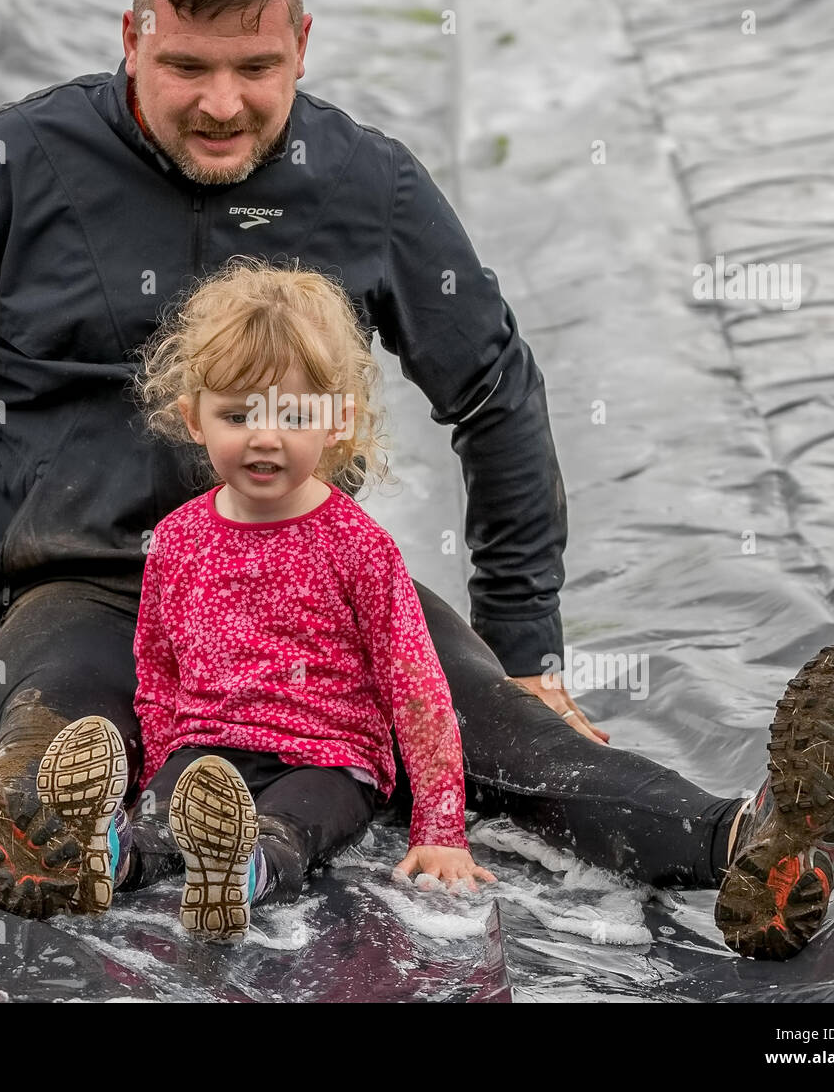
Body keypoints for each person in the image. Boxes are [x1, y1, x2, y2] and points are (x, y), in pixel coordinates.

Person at [0, 0, 834, 960]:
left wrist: (525, 648)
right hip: (87, 589)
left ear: (302, 46)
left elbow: (494, 391)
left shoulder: (365, 181)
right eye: (187, 65)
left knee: (505, 737)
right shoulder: (14, 165)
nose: (222, 102)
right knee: (68, 757)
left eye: (256, 67)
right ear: (131, 39)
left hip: (316, 584)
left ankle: (757, 843)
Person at [31, 260, 492, 941]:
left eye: (292, 413)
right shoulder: (180, 540)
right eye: (239, 413)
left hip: (329, 756)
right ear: (194, 419)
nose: (265, 436)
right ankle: (111, 852)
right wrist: (159, 767)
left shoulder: (357, 546)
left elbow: (416, 687)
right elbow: (158, 673)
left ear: (338, 421)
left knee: (291, 827)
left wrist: (441, 826)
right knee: (163, 821)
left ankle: (240, 872)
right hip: (208, 747)